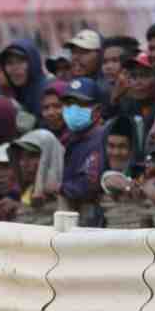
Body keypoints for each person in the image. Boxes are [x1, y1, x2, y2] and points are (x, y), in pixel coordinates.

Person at [58, 78, 107, 226]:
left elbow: (89, 184)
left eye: (80, 104)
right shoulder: (70, 139)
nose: (72, 109)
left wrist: (60, 188)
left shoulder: (101, 139)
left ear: (97, 110)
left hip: (93, 222)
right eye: (68, 103)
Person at [0, 40, 47, 118]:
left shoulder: (45, 92)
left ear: (33, 62)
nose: (15, 68)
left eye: (20, 61)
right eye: (9, 63)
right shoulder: (18, 93)